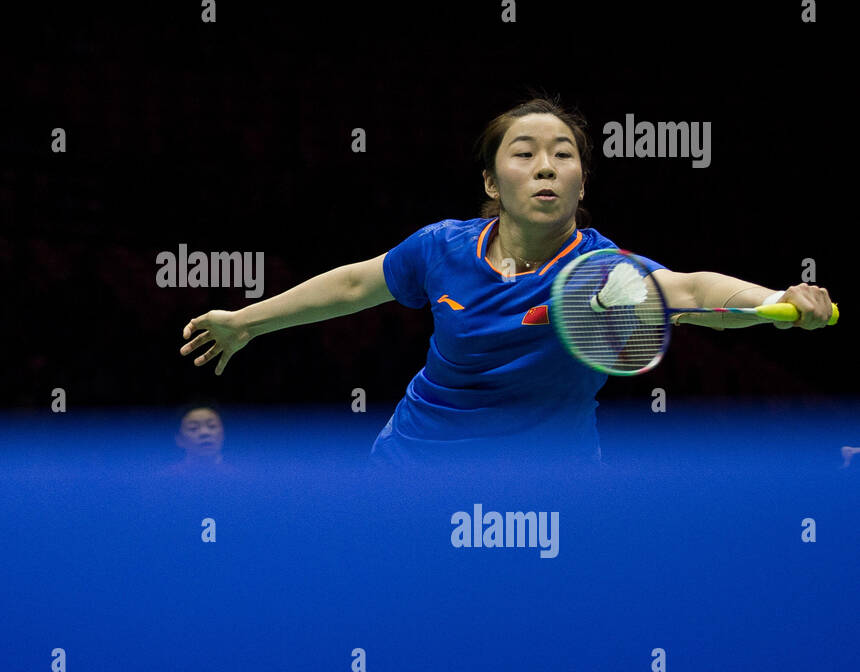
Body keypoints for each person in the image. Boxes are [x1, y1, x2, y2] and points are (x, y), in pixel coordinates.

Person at [179, 96, 835, 468]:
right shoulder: (442, 248)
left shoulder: (602, 275)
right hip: (419, 470)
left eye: (563, 154)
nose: (545, 165)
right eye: (524, 153)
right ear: (493, 183)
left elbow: (691, 292)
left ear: (582, 183)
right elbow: (355, 285)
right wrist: (245, 321)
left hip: (553, 489)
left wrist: (779, 301)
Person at [163, 401, 236, 476]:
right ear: (179, 439)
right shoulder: (165, 478)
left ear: (224, 434)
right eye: (193, 428)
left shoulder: (240, 477)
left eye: (212, 426)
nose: (204, 433)